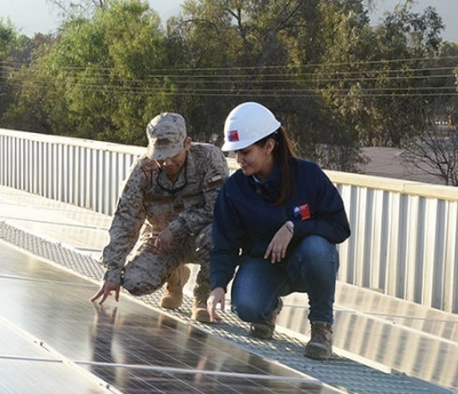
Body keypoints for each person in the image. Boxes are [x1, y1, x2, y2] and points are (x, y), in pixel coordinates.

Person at [205, 102, 351, 360]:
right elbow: (224, 243)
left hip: (305, 263)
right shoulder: (234, 190)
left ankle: (321, 328)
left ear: (269, 147)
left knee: (318, 247)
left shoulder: (308, 175)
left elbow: (339, 227)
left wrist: (295, 228)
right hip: (263, 264)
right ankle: (268, 308)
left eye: (245, 152)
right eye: (236, 153)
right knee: (247, 306)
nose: (239, 160)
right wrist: (218, 285)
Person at [90, 112, 229, 323]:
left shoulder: (209, 159)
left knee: (217, 237)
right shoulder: (142, 171)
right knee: (135, 282)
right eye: (161, 156)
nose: (167, 162)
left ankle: (202, 297)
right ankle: (175, 277)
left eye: (173, 154)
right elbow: (126, 220)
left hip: (200, 236)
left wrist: (176, 228)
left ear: (187, 143)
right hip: (160, 240)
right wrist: (112, 271)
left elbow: (217, 210)